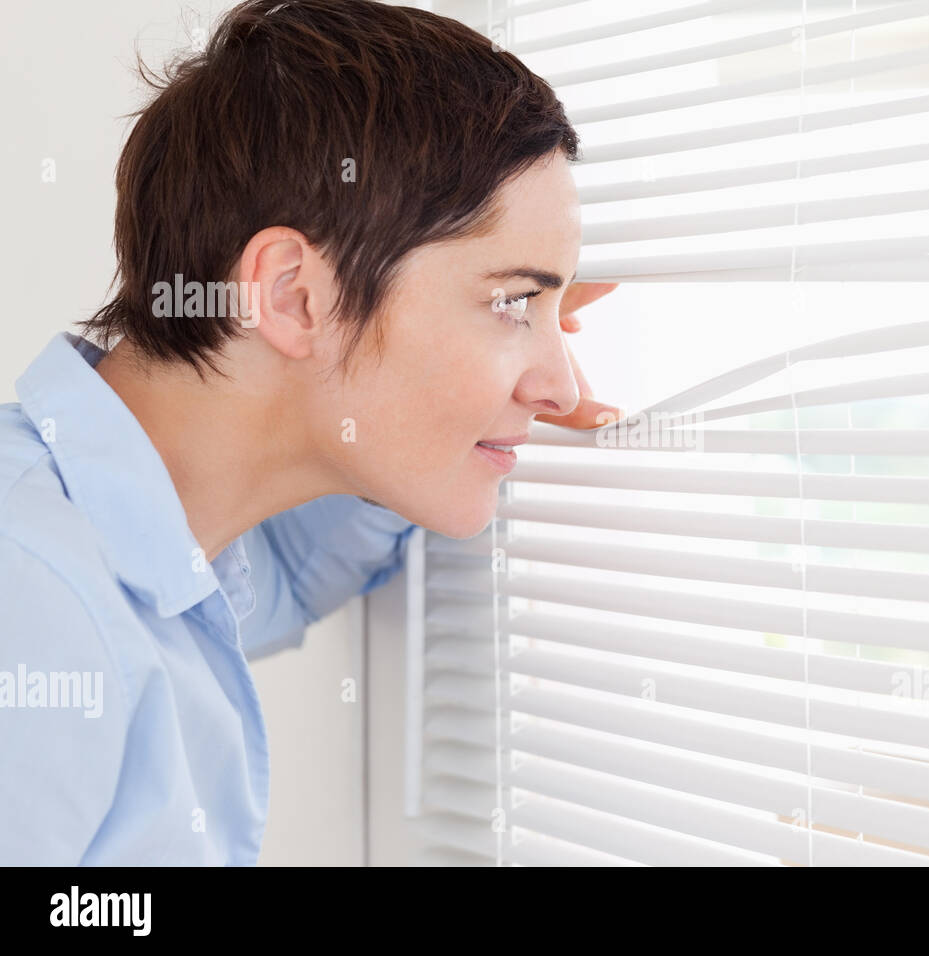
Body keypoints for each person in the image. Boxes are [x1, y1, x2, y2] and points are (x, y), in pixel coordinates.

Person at [0, 0, 619, 865]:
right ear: (293, 295)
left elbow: (288, 573)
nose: (563, 387)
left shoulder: (164, 537)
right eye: (512, 300)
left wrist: (485, 393)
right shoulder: (31, 596)